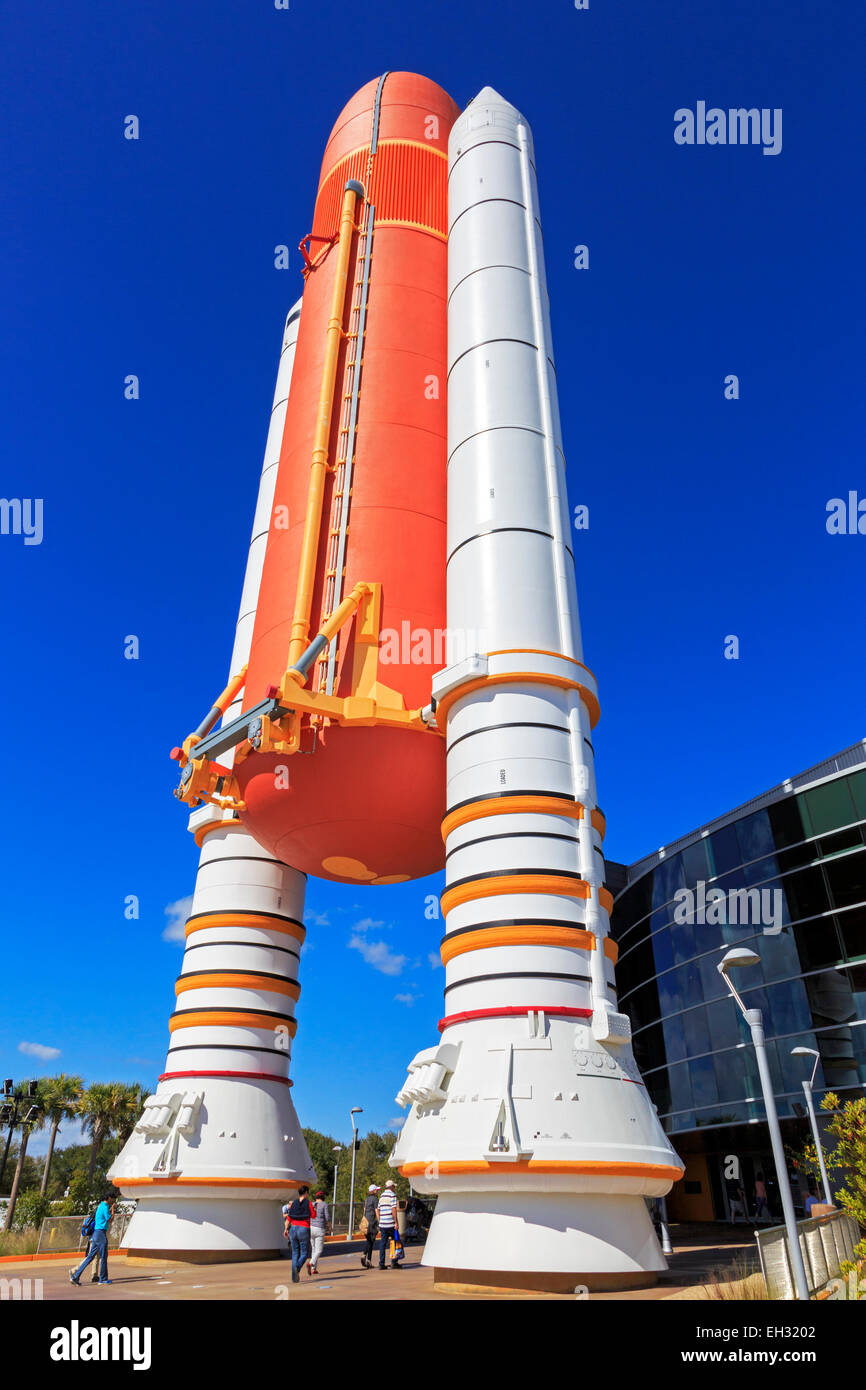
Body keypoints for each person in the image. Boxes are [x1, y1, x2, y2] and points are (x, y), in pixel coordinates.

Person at [69, 1195, 116, 1286]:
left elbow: (104, 1216)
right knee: (103, 1256)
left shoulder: (101, 1206)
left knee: (90, 1257)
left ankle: (75, 1277)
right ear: (109, 1198)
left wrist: (111, 1209)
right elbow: (110, 1219)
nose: (114, 1200)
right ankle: (103, 1279)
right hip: (101, 1234)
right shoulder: (105, 1207)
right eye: (113, 1198)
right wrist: (113, 1210)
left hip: (96, 1234)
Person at [285, 1184, 314, 1283]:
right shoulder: (308, 1203)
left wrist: (286, 1229)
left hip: (293, 1228)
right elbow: (313, 1215)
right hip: (303, 1229)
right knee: (304, 1253)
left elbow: (288, 1218)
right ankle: (297, 1268)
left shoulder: (294, 1203)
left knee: (294, 1253)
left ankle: (294, 1278)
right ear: (306, 1193)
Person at [377, 1179, 400, 1269]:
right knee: (394, 1242)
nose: (394, 1188)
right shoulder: (392, 1195)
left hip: (383, 1224)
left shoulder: (381, 1196)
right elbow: (393, 1209)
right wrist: (396, 1222)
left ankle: (381, 1263)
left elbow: (378, 1209)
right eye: (394, 1186)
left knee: (382, 1244)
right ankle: (394, 1262)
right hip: (390, 1224)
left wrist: (380, 1220)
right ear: (391, 1187)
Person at [309, 1190, 330, 1275]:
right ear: (323, 1197)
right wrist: (330, 1227)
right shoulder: (324, 1204)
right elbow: (327, 1217)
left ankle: (314, 1269)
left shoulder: (312, 1204)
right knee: (319, 1250)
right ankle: (311, 1263)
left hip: (311, 1228)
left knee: (313, 1249)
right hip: (320, 1228)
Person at [360, 1184, 380, 1269]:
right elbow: (376, 1210)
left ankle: (368, 1260)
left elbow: (364, 1210)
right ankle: (365, 1255)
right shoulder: (375, 1199)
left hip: (365, 1221)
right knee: (371, 1240)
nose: (377, 1191)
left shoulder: (367, 1199)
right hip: (372, 1222)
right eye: (376, 1190)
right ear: (374, 1191)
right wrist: (379, 1221)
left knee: (369, 1240)